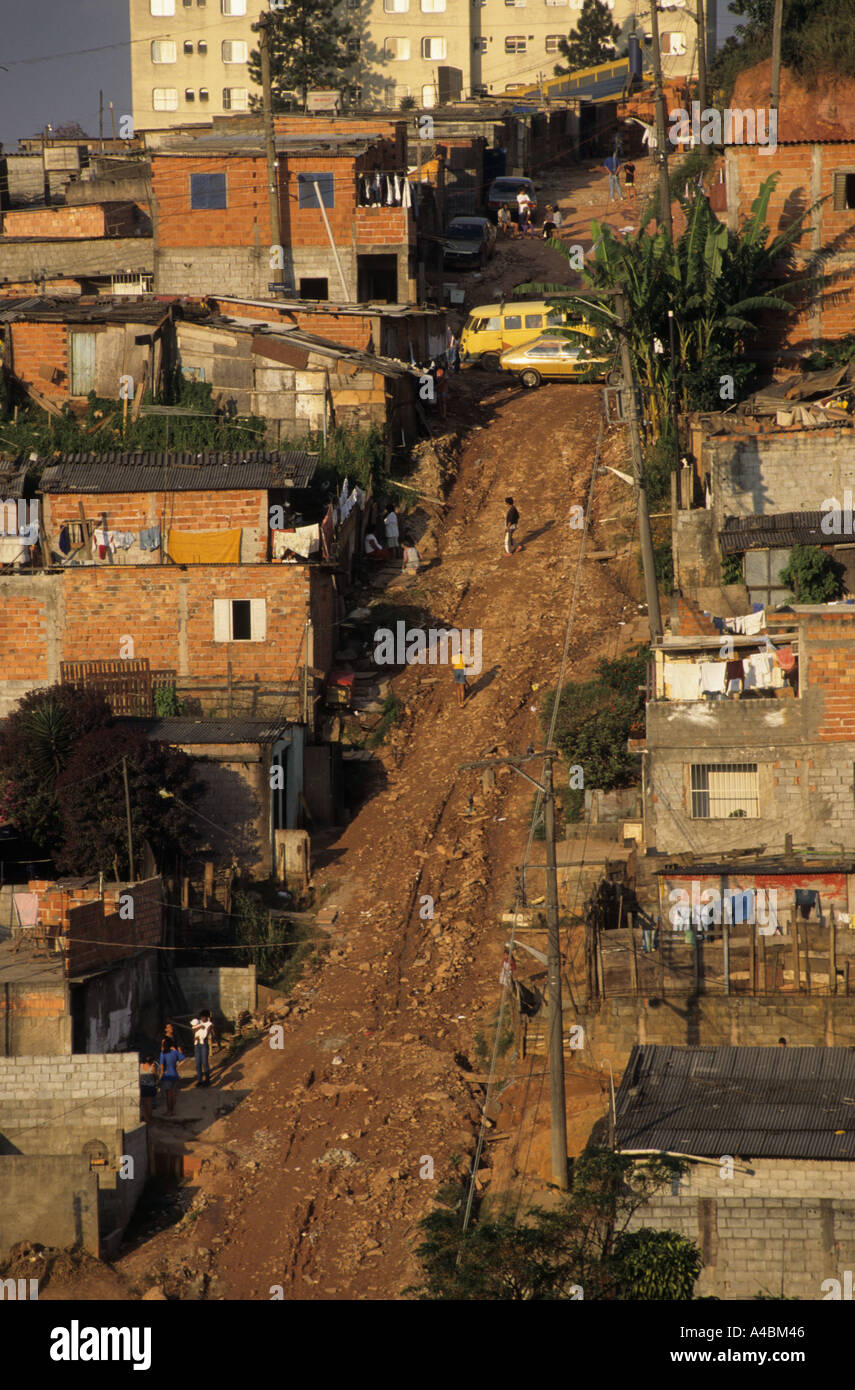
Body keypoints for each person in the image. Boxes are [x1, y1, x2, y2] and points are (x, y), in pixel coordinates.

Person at [159, 1041, 185, 1117]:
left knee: (168, 1095)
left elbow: (161, 1065)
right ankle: (172, 1110)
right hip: (174, 1074)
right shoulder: (174, 1052)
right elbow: (183, 1059)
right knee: (173, 1094)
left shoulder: (163, 1053)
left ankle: (169, 1111)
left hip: (167, 1076)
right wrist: (177, 1066)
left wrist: (162, 1073)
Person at [191, 1008, 215, 1088]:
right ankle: (199, 1080)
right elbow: (193, 1030)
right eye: (201, 1017)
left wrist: (199, 1029)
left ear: (207, 1017)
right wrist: (199, 1027)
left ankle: (207, 1080)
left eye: (203, 1017)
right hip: (197, 1044)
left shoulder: (209, 1024)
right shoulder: (199, 1023)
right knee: (198, 1063)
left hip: (203, 1044)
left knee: (205, 1063)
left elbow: (206, 1034)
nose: (202, 1019)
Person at [139, 1055, 159, 1124]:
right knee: (149, 1104)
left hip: (142, 1088)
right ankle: (150, 1118)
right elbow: (156, 1076)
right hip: (150, 1088)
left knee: (144, 1105)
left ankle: (146, 1119)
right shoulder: (152, 1067)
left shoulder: (140, 1066)